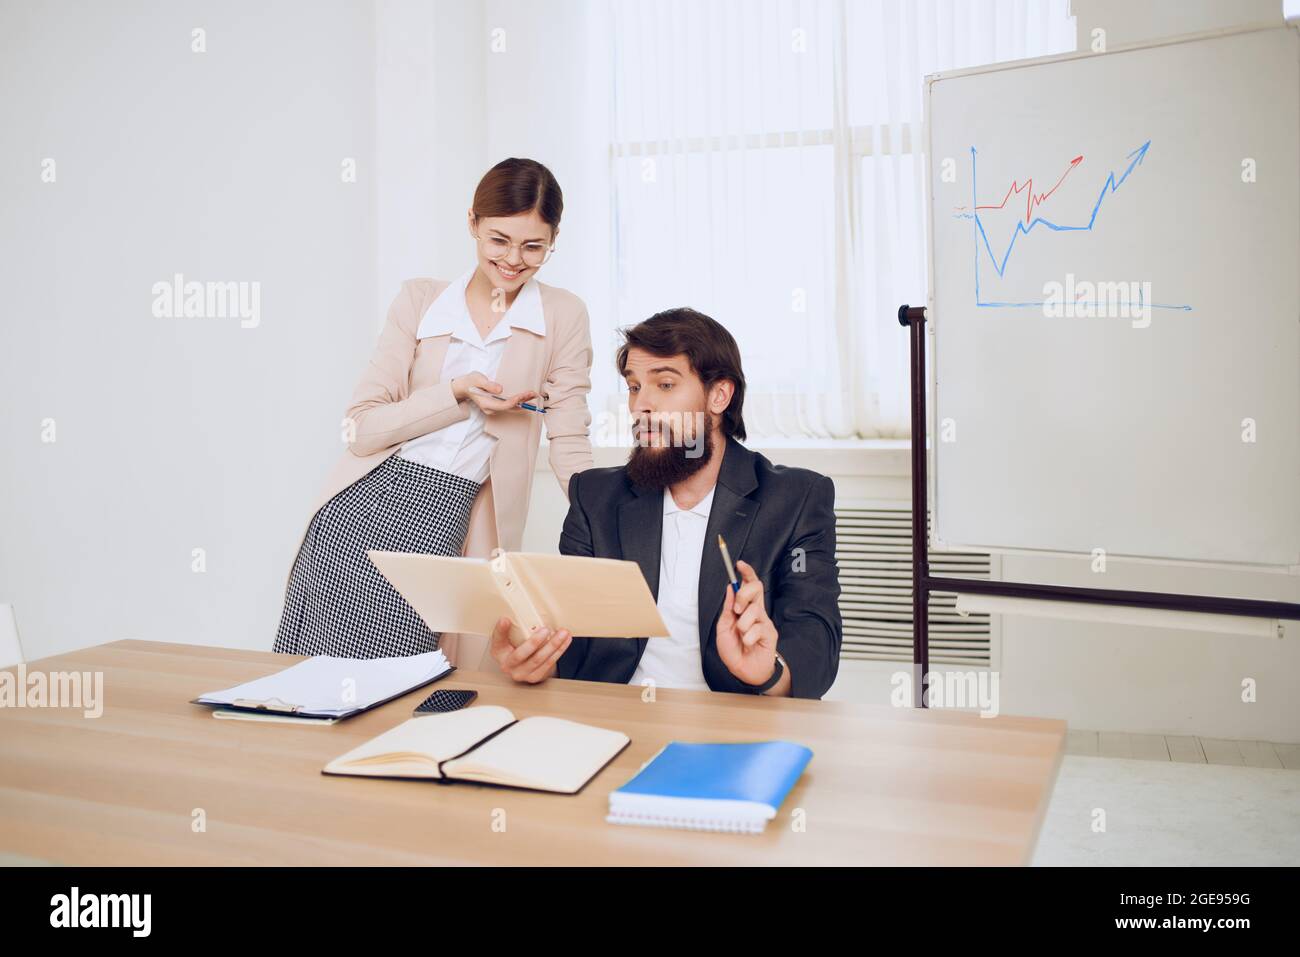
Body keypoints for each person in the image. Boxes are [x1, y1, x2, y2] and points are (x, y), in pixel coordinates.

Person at [274, 158, 594, 661]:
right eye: (498, 240)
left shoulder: (563, 314)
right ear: (472, 224)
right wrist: (457, 393)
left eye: (534, 246)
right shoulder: (420, 301)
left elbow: (570, 436)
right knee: (324, 688)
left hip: (459, 515)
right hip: (362, 510)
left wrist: (606, 514)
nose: (514, 259)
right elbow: (361, 429)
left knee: (433, 687)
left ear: (555, 238)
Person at [487, 307, 841, 698]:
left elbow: (816, 641)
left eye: (665, 385)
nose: (641, 406)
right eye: (635, 387)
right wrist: (539, 660)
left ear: (719, 396)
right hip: (616, 714)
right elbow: (577, 641)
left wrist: (770, 672)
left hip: (734, 721)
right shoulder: (595, 497)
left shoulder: (795, 498)